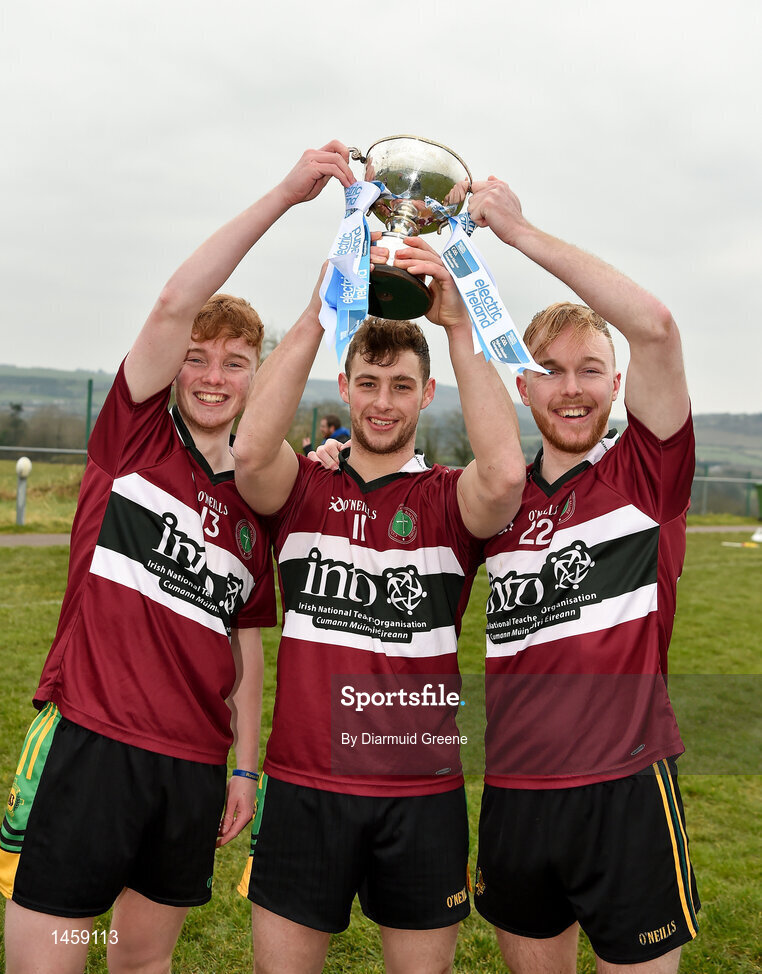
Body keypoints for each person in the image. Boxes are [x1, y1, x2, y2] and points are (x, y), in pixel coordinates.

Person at [0, 143, 354, 974]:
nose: (212, 374)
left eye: (235, 361)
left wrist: (243, 767)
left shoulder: (261, 498)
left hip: (193, 769)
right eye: (198, 356)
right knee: (49, 960)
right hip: (93, 743)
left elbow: (246, 647)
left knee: (139, 962)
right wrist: (285, 197)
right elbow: (171, 305)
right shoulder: (132, 439)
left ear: (256, 375)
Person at [232, 194, 526, 973]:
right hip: (303, 786)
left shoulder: (447, 498)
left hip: (421, 794)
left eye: (401, 385)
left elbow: (505, 474)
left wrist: (460, 329)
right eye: (368, 383)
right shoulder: (303, 488)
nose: (383, 401)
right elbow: (250, 453)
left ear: (428, 395)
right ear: (344, 387)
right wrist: (321, 308)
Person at [466, 178, 699, 972]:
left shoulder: (647, 475)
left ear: (617, 383)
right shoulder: (494, 494)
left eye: (591, 370)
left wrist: (520, 235)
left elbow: (658, 328)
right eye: (551, 370)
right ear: (523, 384)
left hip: (626, 790)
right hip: (517, 793)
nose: (571, 388)